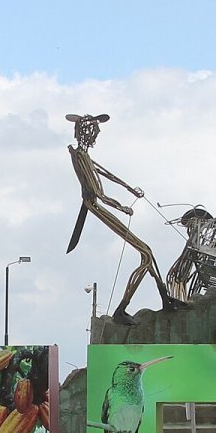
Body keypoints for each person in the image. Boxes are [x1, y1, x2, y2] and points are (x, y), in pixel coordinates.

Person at [65, 113, 186, 324]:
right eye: (95, 130)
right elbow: (96, 192)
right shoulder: (79, 156)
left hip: (97, 204)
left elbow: (106, 173)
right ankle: (121, 310)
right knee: (146, 254)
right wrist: (121, 207)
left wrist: (130, 189)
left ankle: (165, 298)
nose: (98, 133)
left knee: (147, 250)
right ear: (86, 131)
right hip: (94, 206)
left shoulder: (85, 155)